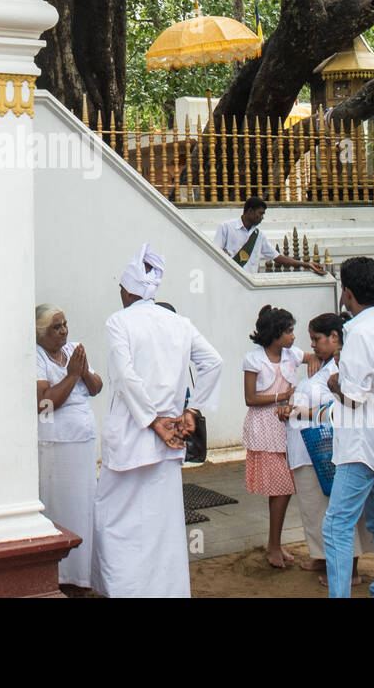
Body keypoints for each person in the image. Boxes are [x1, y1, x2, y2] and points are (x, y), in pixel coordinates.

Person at [92, 244, 222, 597]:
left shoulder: (119, 321)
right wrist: (192, 412)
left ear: (125, 290)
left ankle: (123, 590)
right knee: (162, 524)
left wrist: (151, 420)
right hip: (170, 441)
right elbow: (214, 363)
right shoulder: (179, 323)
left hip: (134, 438)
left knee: (117, 521)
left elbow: (125, 375)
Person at [321, 256, 374, 598]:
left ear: (347, 292)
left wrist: (335, 382)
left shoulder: (360, 332)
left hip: (361, 441)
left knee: (336, 525)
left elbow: (353, 396)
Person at [277, 312, 372, 587]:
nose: (314, 345)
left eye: (317, 339)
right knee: (314, 508)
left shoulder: (342, 368)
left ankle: (349, 570)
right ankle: (323, 556)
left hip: (326, 447)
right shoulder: (325, 366)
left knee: (336, 511)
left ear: (335, 337)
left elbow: (340, 410)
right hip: (305, 445)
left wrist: (302, 411)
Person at [34, 304, 102, 588]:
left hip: (83, 440)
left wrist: (84, 372)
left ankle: (83, 574)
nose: (64, 331)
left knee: (84, 505)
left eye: (65, 324)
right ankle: (62, 576)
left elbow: (97, 387)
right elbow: (43, 404)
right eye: (56, 327)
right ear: (40, 333)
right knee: (61, 507)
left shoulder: (73, 349)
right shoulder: (35, 356)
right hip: (56, 446)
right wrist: (72, 375)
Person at [242, 305, 301, 569]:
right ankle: (274, 546)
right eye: (289, 331)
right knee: (281, 489)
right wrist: (283, 396)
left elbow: (318, 356)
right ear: (276, 334)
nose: (293, 336)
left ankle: (274, 544)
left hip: (286, 425)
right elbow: (250, 398)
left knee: (283, 489)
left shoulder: (293, 354)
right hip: (265, 429)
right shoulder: (253, 359)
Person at [214, 196, 326, 275]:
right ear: (250, 211)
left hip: (250, 283)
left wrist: (306, 264)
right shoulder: (226, 227)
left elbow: (277, 257)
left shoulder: (259, 236)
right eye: (260, 213)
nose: (262, 217)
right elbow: (215, 253)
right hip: (228, 279)